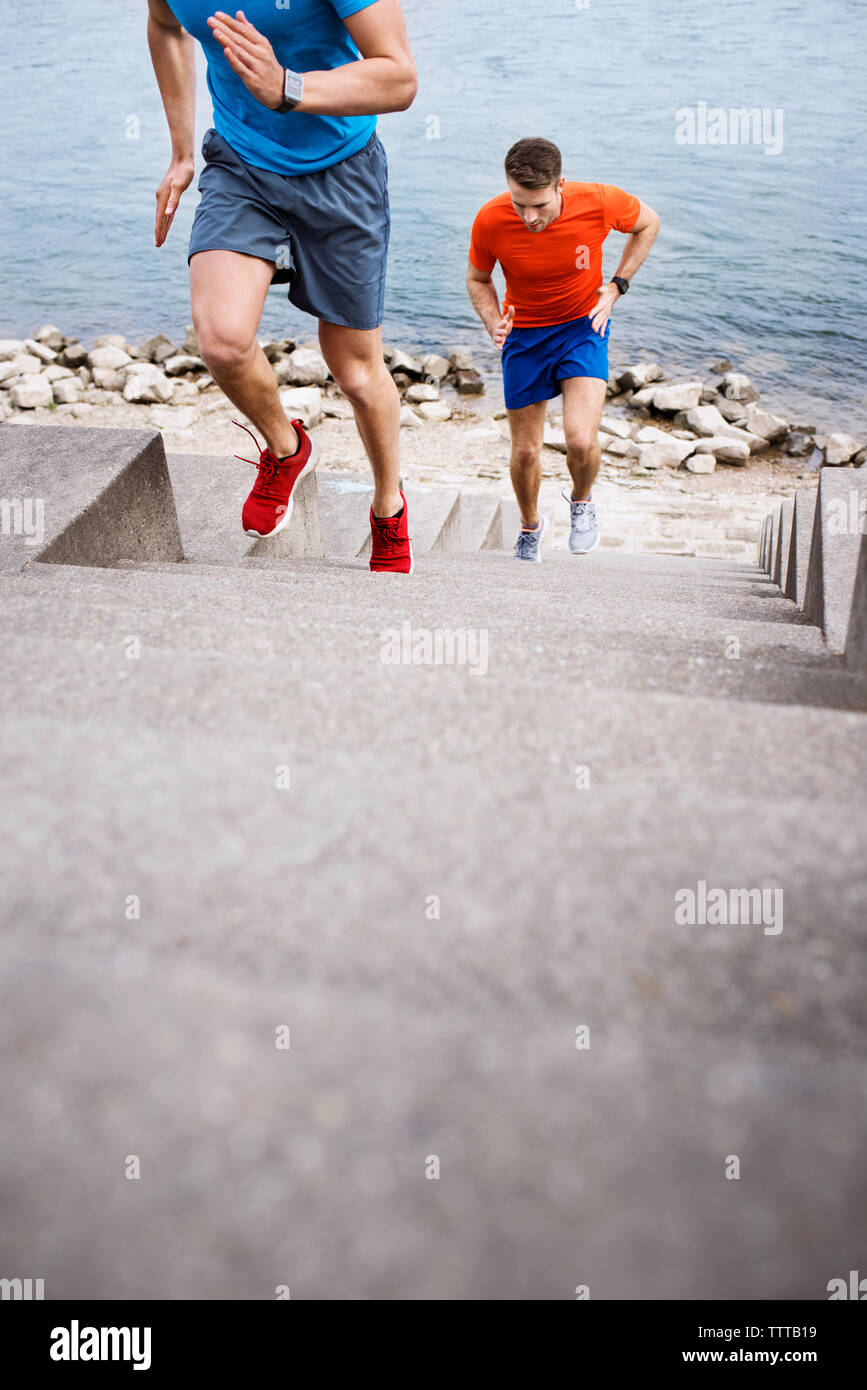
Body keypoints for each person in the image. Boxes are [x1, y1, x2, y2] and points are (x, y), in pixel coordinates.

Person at [147, 2, 417, 572]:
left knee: (356, 373)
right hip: (241, 165)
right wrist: (179, 150)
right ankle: (286, 448)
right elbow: (167, 27)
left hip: (343, 170)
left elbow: (399, 76)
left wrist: (288, 87)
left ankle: (388, 505)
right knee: (221, 340)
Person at [466, 137, 660, 561]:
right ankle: (531, 525)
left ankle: (582, 500)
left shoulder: (598, 201)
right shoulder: (491, 219)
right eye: (520, 204)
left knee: (579, 439)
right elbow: (478, 279)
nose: (529, 217)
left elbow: (649, 224)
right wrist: (493, 321)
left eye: (539, 205)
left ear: (560, 186)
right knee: (525, 450)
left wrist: (617, 285)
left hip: (582, 327)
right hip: (524, 338)